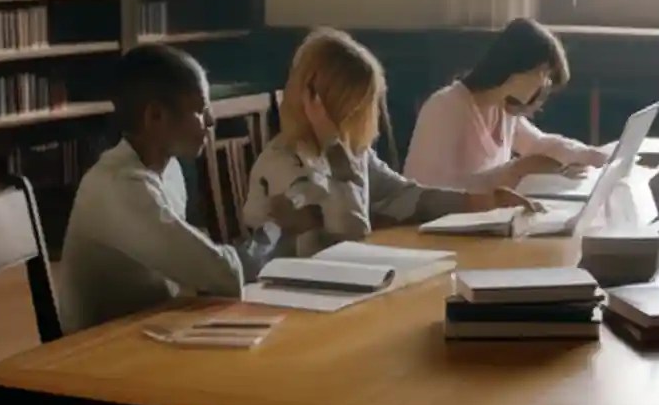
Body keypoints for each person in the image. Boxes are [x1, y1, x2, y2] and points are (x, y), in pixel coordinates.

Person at [240, 28, 539, 277]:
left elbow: (402, 195)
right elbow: (352, 230)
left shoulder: (352, 153)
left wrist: (482, 202)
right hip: (287, 303)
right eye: (360, 105)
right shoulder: (284, 163)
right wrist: (333, 143)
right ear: (321, 103)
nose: (369, 117)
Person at [59, 45, 244, 333]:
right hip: (97, 354)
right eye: (199, 110)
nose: (210, 121)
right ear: (155, 116)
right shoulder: (119, 187)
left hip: (150, 330)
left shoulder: (170, 170)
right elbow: (224, 275)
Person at [403, 18, 609, 191]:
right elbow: (428, 189)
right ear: (517, 66)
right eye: (543, 72)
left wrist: (597, 156)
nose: (545, 83)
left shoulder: (505, 109)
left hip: (482, 224)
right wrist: (513, 171)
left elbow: (539, 144)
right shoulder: (446, 107)